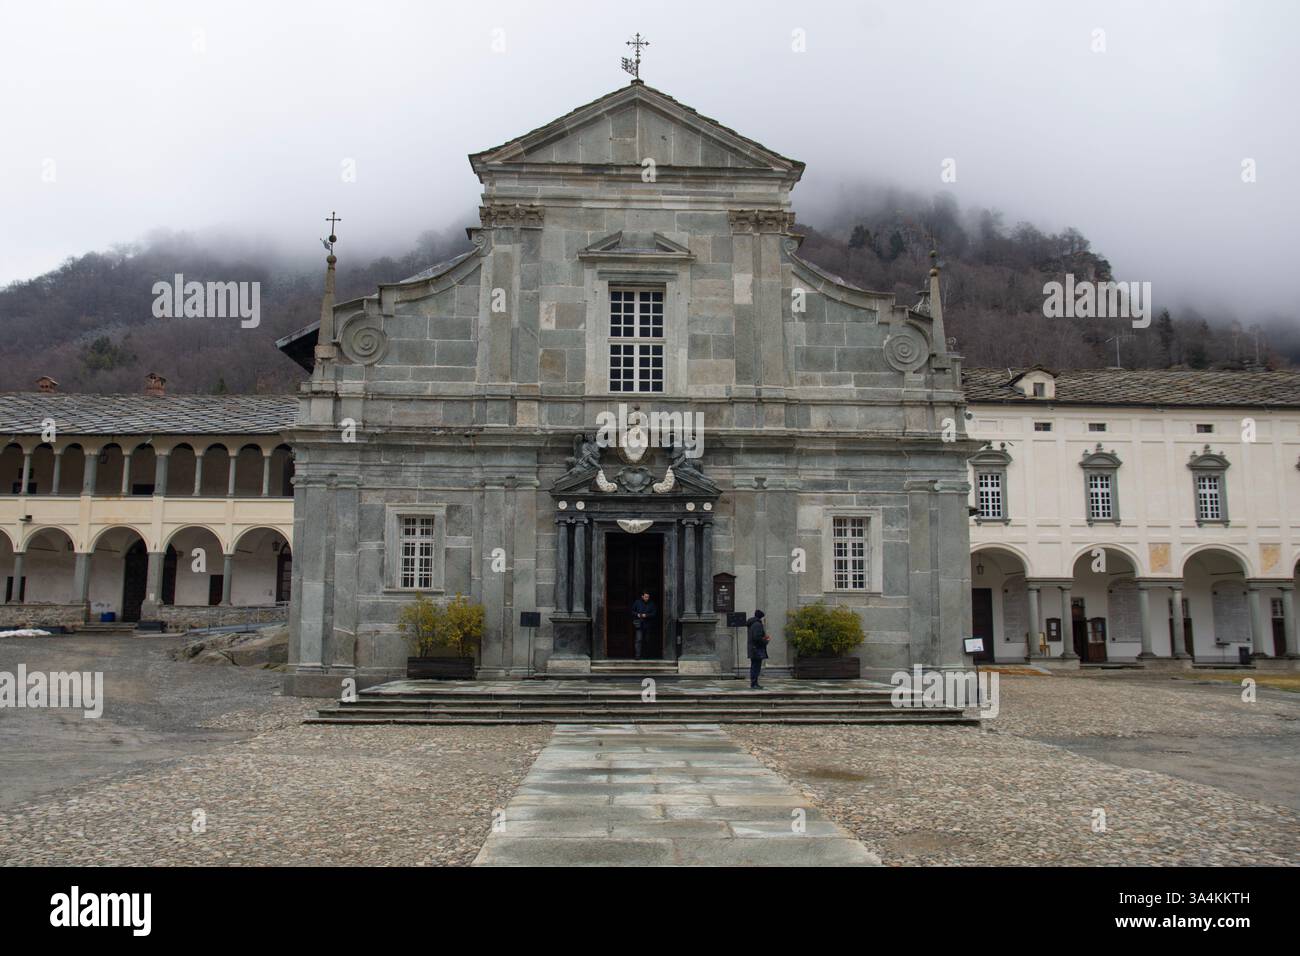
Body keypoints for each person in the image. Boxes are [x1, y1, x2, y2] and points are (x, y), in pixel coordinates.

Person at [630, 590, 657, 660]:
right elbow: (632, 611)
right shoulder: (637, 602)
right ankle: (637, 656)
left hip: (648, 625)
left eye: (648, 597)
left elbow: (654, 613)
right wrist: (637, 614)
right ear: (642, 596)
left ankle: (647, 655)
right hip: (639, 624)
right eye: (645, 597)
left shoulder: (652, 604)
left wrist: (647, 615)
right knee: (638, 639)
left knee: (647, 640)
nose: (647, 598)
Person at [746, 610, 769, 689]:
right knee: (756, 667)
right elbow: (757, 638)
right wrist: (765, 640)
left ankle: (754, 682)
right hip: (757, 649)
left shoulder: (752, 623)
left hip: (753, 649)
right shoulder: (757, 624)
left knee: (754, 666)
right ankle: (754, 683)